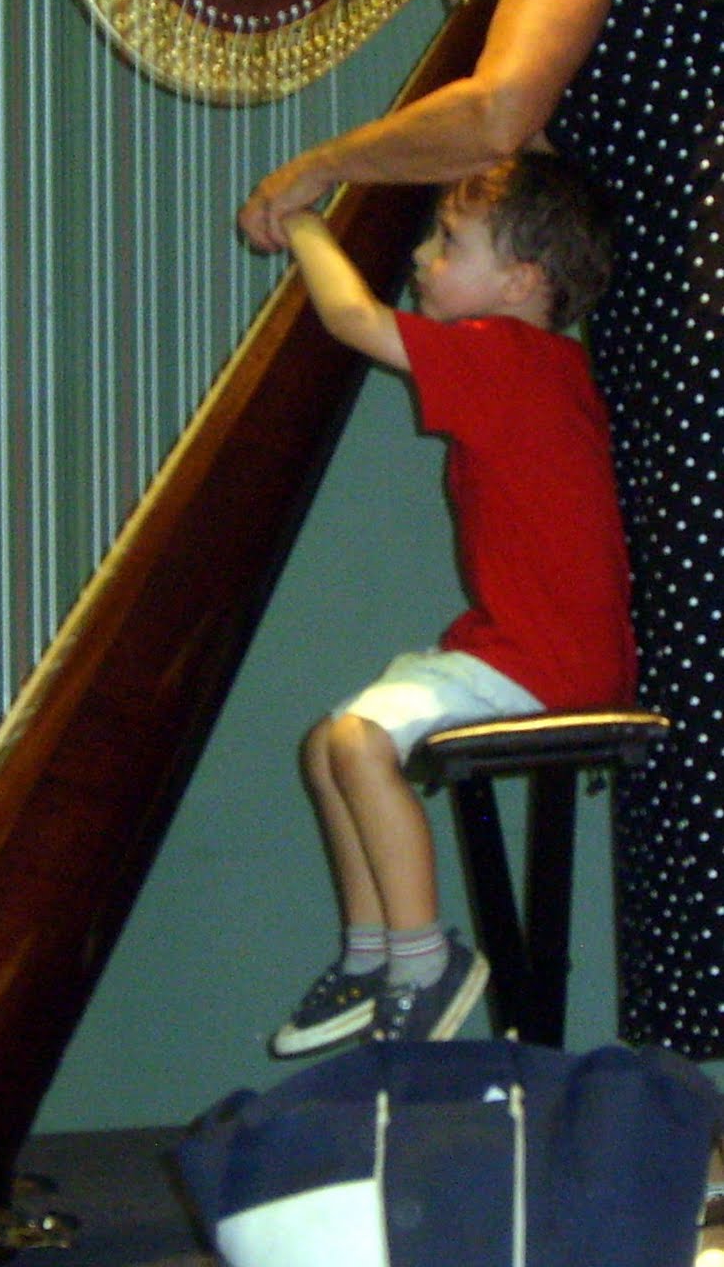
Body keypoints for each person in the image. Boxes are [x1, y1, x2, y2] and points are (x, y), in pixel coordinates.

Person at [240, 0, 723, 1062]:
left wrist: (326, 163)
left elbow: (504, 107)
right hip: (664, 330)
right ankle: (689, 1105)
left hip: (698, 336)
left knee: (694, 729)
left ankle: (697, 1112)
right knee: (681, 723)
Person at [271, 153, 635, 1054]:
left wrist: (304, 219)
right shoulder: (529, 365)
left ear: (522, 280)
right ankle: (370, 954)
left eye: (448, 241)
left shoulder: (505, 355)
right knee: (330, 744)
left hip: (546, 659)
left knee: (357, 743)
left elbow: (352, 318)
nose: (424, 257)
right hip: (516, 646)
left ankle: (424, 963)